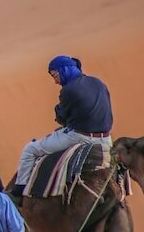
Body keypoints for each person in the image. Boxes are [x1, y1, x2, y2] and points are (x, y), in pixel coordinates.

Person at [10, 56, 113, 202]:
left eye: (55, 75)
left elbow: (62, 117)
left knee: (30, 149)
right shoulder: (98, 83)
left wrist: (59, 112)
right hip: (106, 139)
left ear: (64, 70)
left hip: (81, 137)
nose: (56, 81)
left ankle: (18, 193)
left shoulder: (69, 90)